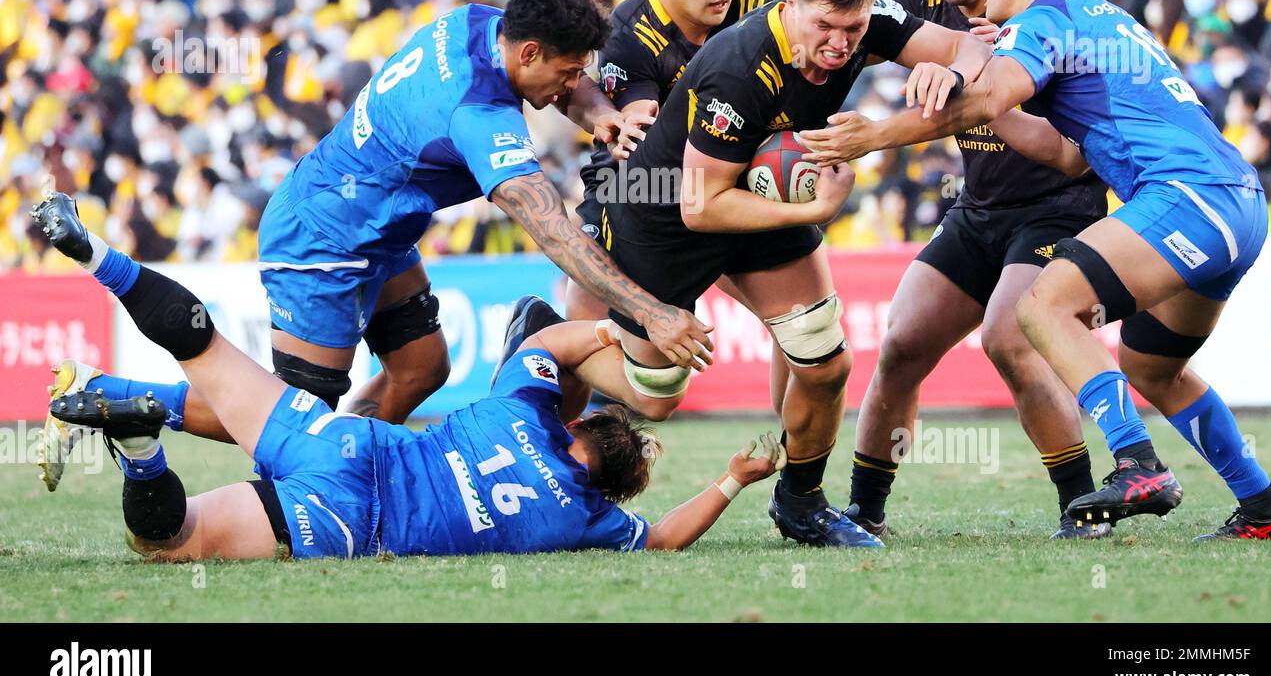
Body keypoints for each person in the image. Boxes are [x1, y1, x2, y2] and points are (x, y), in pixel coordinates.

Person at [37, 0, 716, 492]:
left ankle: (348, 483)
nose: (575, 83)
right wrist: (651, 312)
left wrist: (598, 113)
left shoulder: (479, 24)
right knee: (292, 417)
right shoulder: (478, 112)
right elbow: (558, 237)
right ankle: (108, 398)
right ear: (530, 52)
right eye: (569, 72)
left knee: (423, 368)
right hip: (323, 238)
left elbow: (560, 85)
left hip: (376, 230)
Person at [802, 0, 1271, 540]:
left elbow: (980, 99)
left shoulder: (1044, 19)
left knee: (1040, 311)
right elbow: (1065, 150)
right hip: (1237, 203)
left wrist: (873, 136)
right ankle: (1264, 508)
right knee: (1153, 369)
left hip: (1185, 196)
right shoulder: (1103, 17)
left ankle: (1137, 464)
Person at [30, 191, 782, 560]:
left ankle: (97, 254)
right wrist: (734, 479)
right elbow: (665, 540)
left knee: (208, 347)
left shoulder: (520, 412)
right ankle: (139, 450)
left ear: (578, 423)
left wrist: (630, 323)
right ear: (610, 488)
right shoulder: (589, 521)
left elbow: (552, 336)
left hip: (350, 445)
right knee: (168, 543)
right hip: (353, 522)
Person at [569, 0, 991, 548]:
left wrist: (950, 74)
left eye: (853, 28)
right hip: (667, 217)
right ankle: (546, 337)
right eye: (825, 27)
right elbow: (700, 207)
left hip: (760, 198)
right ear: (791, 4)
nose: (840, 44)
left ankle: (801, 501)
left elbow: (966, 45)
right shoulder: (739, 68)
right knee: (656, 400)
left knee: (826, 363)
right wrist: (814, 210)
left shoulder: (861, 22)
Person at [846, 0, 1111, 541]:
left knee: (1009, 337)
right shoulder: (924, 6)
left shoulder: (1046, 13)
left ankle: (1085, 509)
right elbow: (841, 22)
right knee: (901, 344)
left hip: (1059, 211)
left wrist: (970, 73)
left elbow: (1071, 151)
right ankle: (863, 510)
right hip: (978, 210)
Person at [569, 0, 774, 319]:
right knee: (596, 341)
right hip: (638, 186)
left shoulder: (761, 13)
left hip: (729, 182)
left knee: (807, 334)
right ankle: (540, 332)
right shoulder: (627, 33)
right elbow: (642, 136)